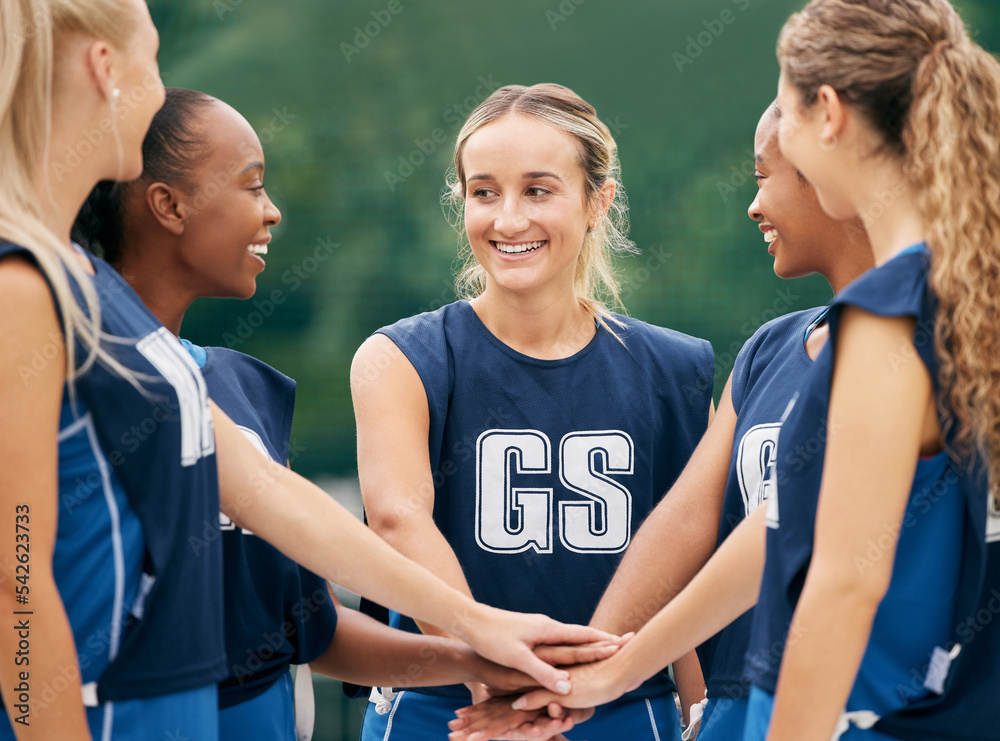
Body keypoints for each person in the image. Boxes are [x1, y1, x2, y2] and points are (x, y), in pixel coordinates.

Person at [0, 3, 615, 739]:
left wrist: (479, 627)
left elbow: (267, 493)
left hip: (174, 705)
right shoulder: (24, 286)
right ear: (105, 72)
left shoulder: (85, 288)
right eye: (154, 61)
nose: (162, 87)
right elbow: (16, 579)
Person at [477, 2, 1000, 741]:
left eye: (782, 109)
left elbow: (846, 582)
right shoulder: (960, 299)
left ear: (825, 114)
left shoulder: (891, 315)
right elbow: (784, 522)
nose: (775, 137)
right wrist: (612, 671)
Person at [447, 100, 874, 741]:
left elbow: (791, 532)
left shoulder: (923, 347)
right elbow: (691, 522)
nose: (753, 205)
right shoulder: (768, 351)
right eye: (484, 191)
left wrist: (597, 679)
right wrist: (587, 673)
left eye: (763, 176)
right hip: (746, 695)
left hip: (868, 696)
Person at [351, 82, 716, 741]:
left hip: (626, 709)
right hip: (452, 710)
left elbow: (685, 558)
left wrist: (700, 712)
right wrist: (489, 671)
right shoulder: (399, 358)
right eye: (484, 192)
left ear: (597, 201)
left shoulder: (675, 369)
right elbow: (397, 520)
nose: (509, 219)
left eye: (539, 190)